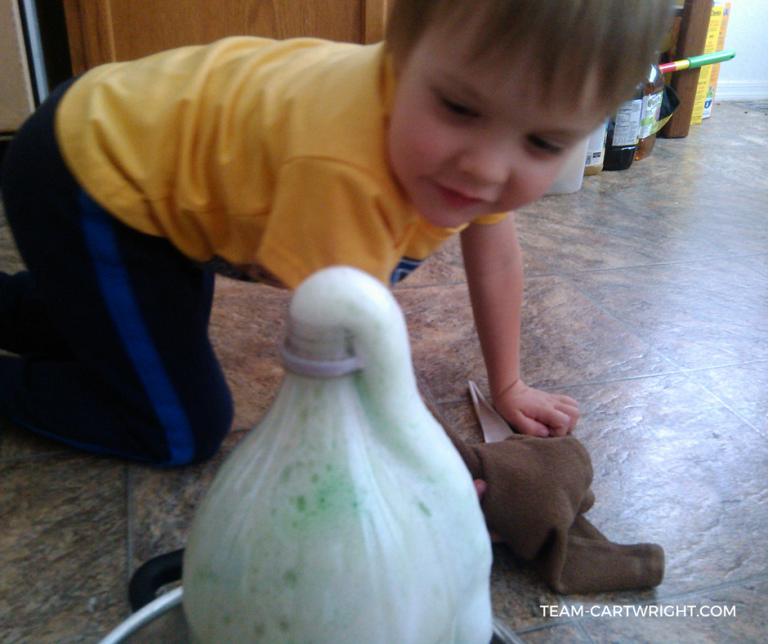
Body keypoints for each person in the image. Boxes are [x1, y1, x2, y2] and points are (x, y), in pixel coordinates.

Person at [0, 0, 673, 466]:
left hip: (135, 159)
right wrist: (426, 468)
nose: (487, 168)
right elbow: (347, 351)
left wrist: (509, 384)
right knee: (180, 428)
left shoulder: (483, 114)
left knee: (107, 325)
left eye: (543, 141)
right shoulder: (341, 168)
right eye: (459, 108)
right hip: (89, 176)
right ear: (399, 52)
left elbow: (493, 252)